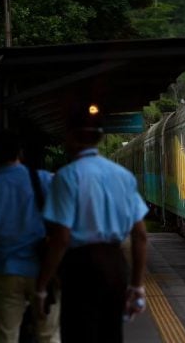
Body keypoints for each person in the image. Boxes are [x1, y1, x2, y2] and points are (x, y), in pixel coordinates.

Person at [35, 106, 149, 342]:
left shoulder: (66, 176)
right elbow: (140, 235)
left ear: (71, 137)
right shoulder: (123, 176)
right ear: (100, 137)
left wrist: (42, 284)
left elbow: (61, 238)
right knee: (111, 334)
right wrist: (137, 286)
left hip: (80, 268)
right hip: (115, 265)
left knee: (79, 333)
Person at [0, 130, 61, 343]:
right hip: (43, 271)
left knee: (5, 336)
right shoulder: (44, 180)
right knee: (48, 334)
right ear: (20, 153)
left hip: (6, 272)